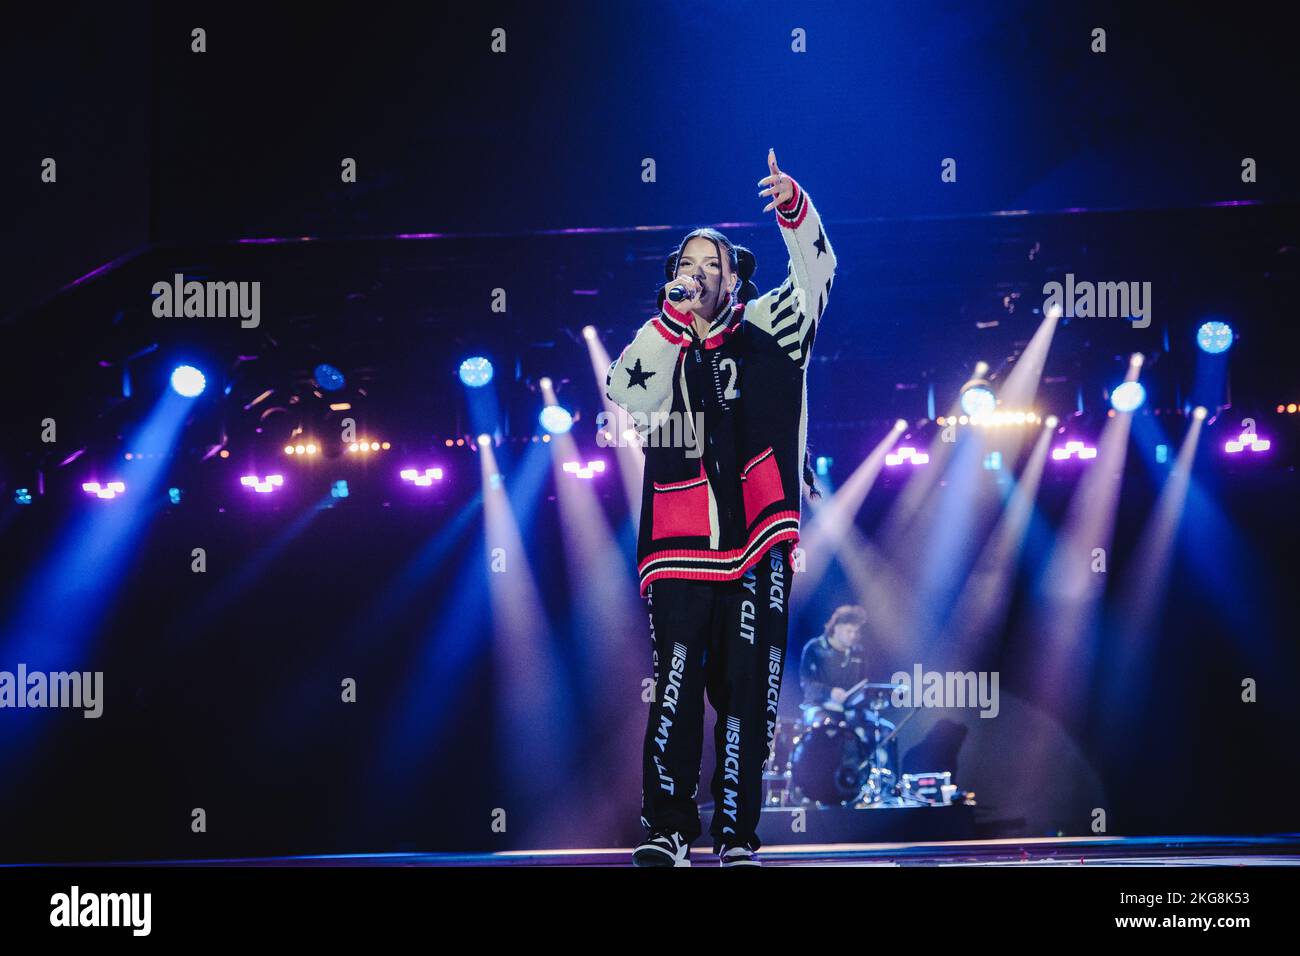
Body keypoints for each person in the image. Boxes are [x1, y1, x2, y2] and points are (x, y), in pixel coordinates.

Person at [605, 149, 837, 866]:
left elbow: (820, 273)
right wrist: (673, 325)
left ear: (735, 278)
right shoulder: (661, 341)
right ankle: (668, 827)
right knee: (673, 685)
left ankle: (737, 832)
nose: (699, 272)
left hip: (757, 528)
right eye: (690, 263)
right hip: (679, 536)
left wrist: (795, 208)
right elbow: (625, 392)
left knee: (745, 690)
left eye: (713, 264)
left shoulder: (774, 322)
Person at [798, 604, 870, 727]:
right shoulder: (814, 648)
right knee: (826, 727)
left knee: (881, 729)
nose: (853, 636)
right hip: (818, 707)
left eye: (856, 632)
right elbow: (807, 684)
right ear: (836, 628)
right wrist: (830, 692)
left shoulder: (859, 652)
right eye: (849, 631)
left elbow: (862, 684)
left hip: (849, 710)